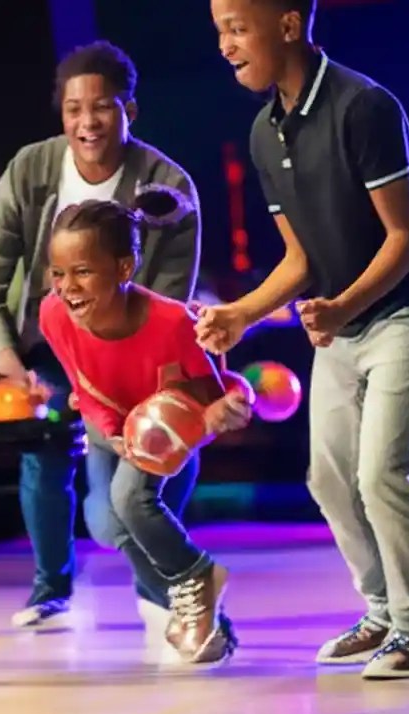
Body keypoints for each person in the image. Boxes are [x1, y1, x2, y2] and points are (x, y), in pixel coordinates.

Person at [204, 0, 409, 679]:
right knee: (326, 473)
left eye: (237, 28)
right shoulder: (265, 131)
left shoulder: (364, 107)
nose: (225, 44)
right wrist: (242, 315)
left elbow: (405, 239)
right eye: (219, 31)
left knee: (380, 472)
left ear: (288, 26)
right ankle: (381, 611)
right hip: (345, 317)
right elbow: (298, 260)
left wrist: (344, 305)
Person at [0, 40, 204, 632]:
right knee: (42, 455)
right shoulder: (32, 168)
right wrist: (3, 355)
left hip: (128, 349)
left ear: (129, 109)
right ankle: (52, 588)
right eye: (74, 109)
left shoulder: (166, 185)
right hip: (47, 339)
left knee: (123, 495)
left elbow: (170, 302)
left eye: (101, 107)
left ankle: (161, 585)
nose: (87, 122)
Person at [38, 196, 253, 663]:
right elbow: (82, 383)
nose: (67, 287)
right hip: (108, 420)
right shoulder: (53, 314)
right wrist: (111, 431)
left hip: (165, 427)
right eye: (58, 273)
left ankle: (197, 575)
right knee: (107, 523)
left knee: (131, 499)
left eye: (82, 272)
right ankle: (206, 614)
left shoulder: (172, 322)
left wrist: (220, 414)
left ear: (124, 267)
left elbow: (211, 397)